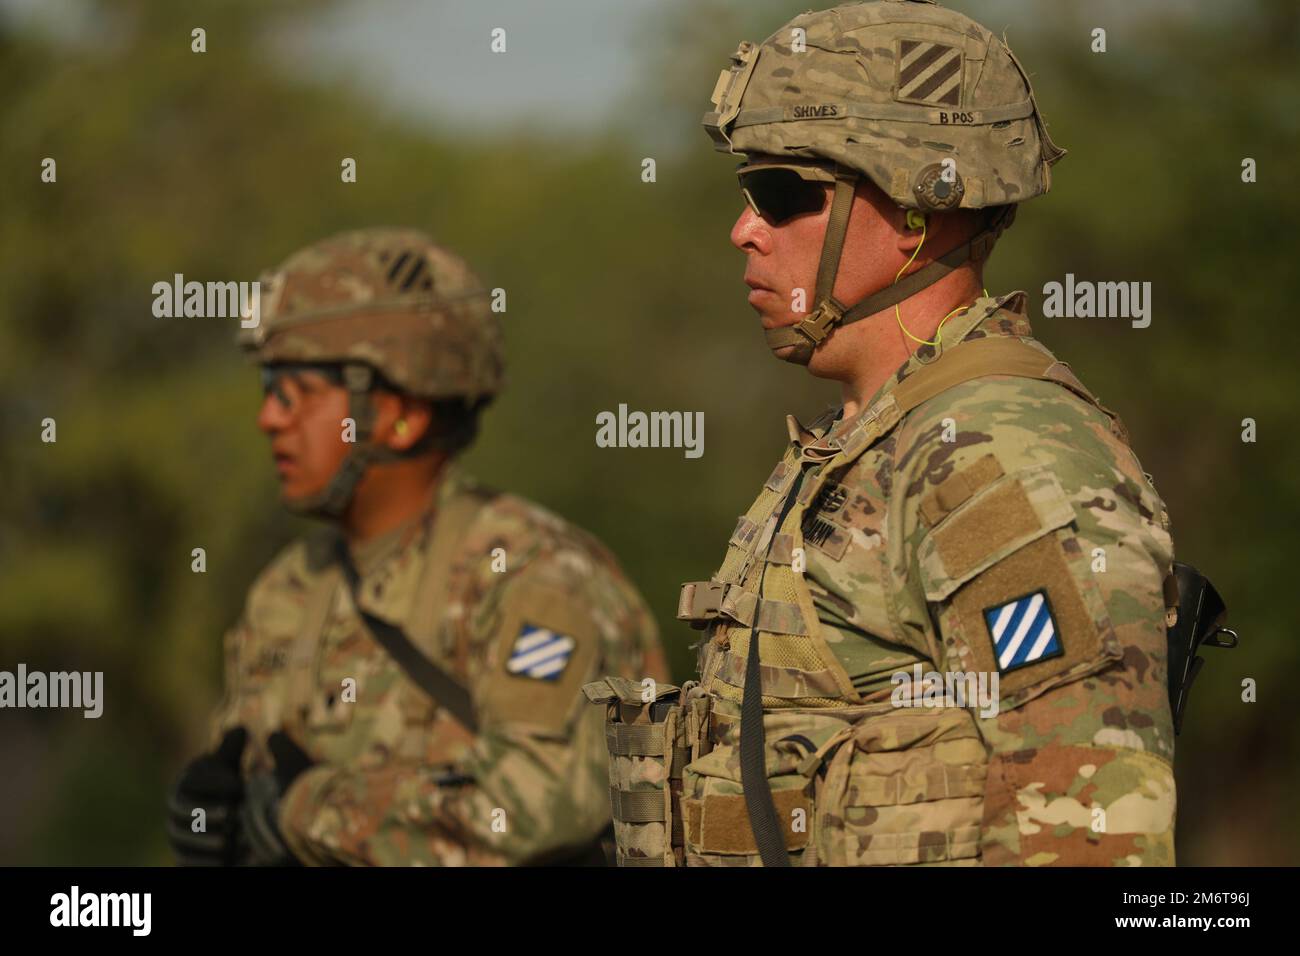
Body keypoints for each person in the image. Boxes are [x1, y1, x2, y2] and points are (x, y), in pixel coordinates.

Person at [595, 0, 1177, 867]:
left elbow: (1095, 833)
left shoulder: (998, 454)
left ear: (917, 215)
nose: (744, 229)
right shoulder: (869, 439)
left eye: (782, 193)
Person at [167, 227, 667, 866]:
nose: (270, 417)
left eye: (297, 391)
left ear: (402, 415)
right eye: (268, 385)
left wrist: (306, 814)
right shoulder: (290, 587)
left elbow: (540, 806)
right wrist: (216, 816)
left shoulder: (532, 576)